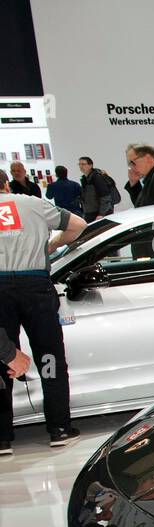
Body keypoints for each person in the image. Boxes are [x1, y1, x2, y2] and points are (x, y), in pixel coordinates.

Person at [0, 168, 87, 455]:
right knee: (49, 356)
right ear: (6, 184)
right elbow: (78, 225)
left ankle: (2, 439)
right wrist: (50, 245)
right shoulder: (32, 203)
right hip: (35, 285)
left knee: (4, 360)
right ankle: (59, 429)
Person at [77, 157, 115, 222]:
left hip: (99, 213)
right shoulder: (85, 179)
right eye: (79, 164)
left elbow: (105, 196)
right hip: (90, 212)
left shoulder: (97, 177)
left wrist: (101, 214)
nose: (81, 166)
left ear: (90, 165)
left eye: (83, 164)